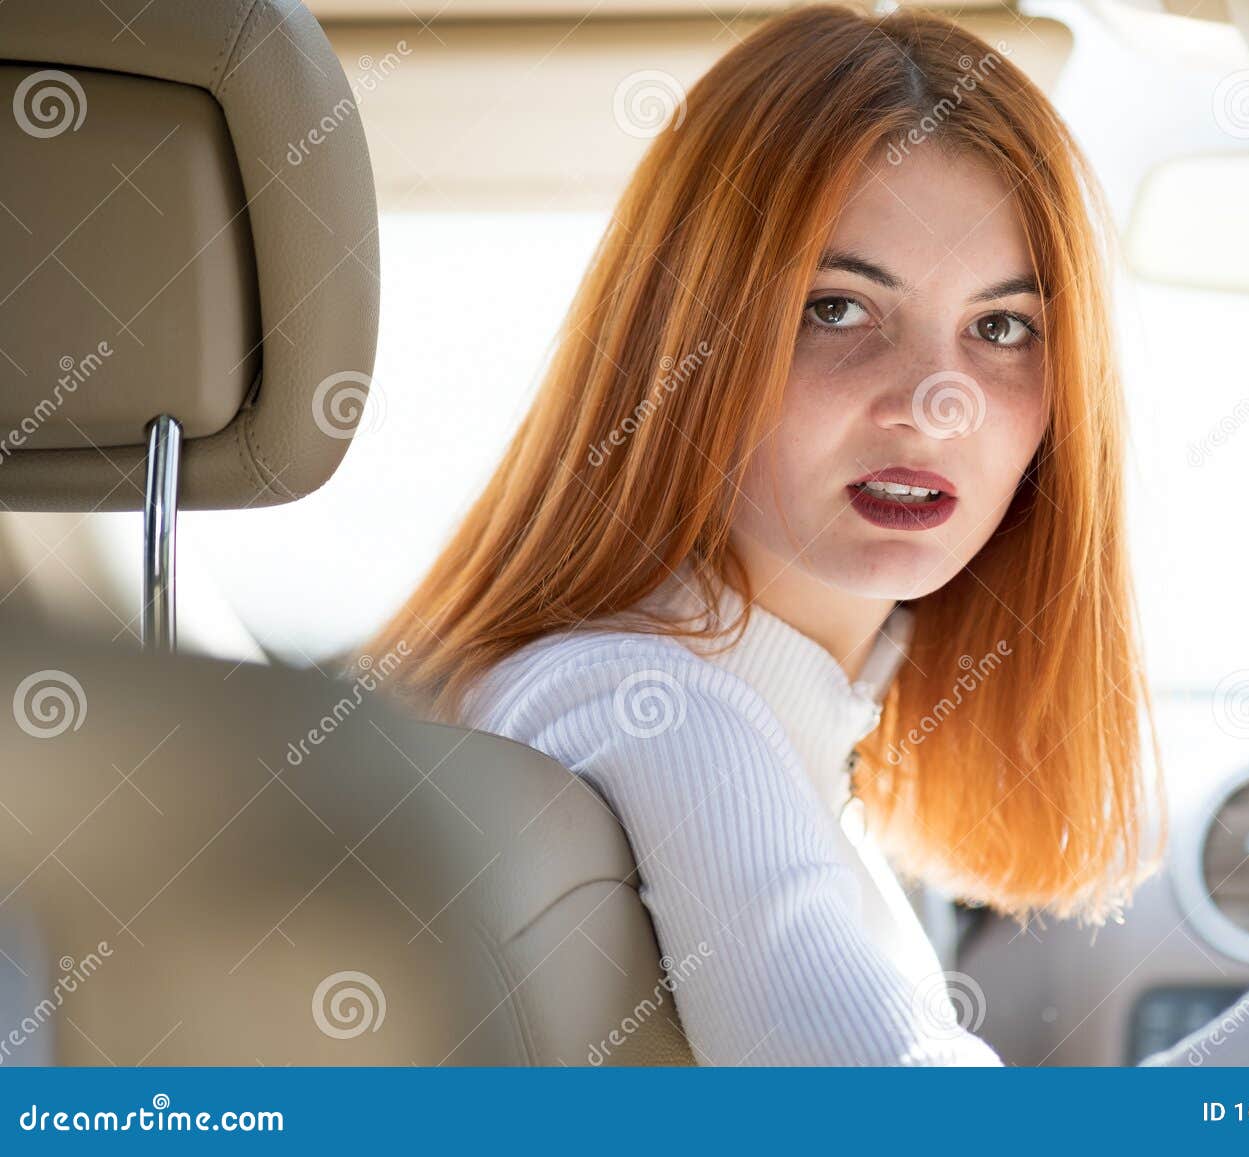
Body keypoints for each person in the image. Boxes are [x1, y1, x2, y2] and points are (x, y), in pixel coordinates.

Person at [368, 1, 1163, 1066]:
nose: (934, 403)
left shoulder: (752, 730)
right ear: (686, 340)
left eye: (1001, 327)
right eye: (838, 308)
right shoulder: (649, 704)